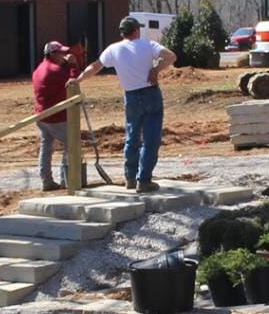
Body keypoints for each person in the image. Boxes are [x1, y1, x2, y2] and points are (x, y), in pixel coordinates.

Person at [75, 15, 175, 191]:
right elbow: (171, 56)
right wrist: (155, 69)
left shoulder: (113, 50)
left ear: (123, 33)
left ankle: (130, 178)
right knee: (151, 139)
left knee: (132, 137)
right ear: (136, 30)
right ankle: (144, 180)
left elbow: (95, 67)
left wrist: (78, 80)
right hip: (150, 93)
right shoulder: (147, 45)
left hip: (131, 96)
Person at [32, 40, 77, 191]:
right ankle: (68, 180)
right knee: (72, 144)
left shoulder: (39, 69)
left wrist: (65, 64)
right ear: (53, 54)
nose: (64, 56)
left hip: (41, 115)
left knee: (46, 147)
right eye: (61, 53)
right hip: (56, 116)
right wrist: (72, 65)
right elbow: (73, 82)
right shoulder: (55, 71)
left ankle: (46, 181)